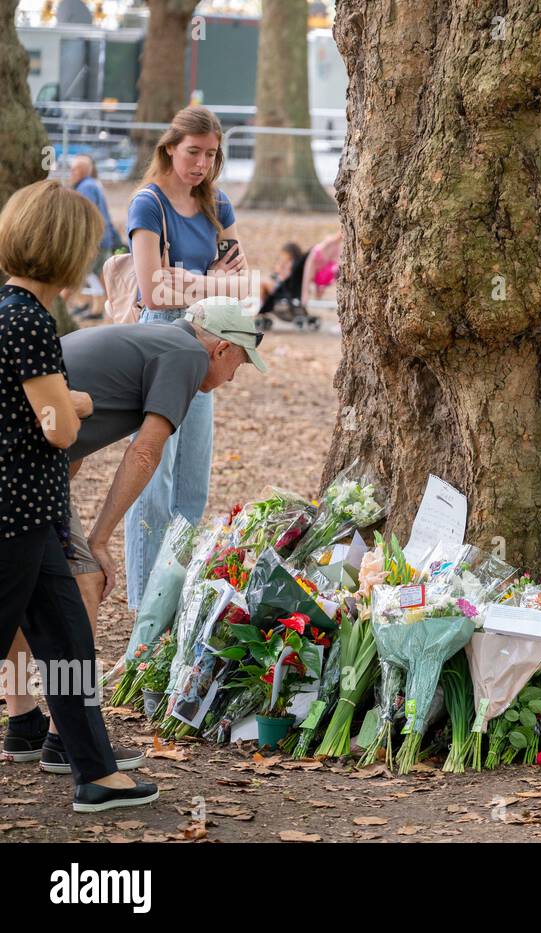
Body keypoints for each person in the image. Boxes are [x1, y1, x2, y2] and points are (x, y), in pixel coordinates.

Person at [2, 296, 266, 769]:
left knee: (27, 588)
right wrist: (99, 541)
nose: (232, 379)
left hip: (19, 469)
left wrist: (57, 507)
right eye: (239, 364)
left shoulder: (152, 341)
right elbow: (145, 453)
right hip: (17, 473)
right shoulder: (186, 357)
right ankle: (67, 741)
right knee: (82, 584)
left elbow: (76, 435)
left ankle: (24, 724)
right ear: (221, 349)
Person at [0, 180, 157, 812]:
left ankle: (94, 769)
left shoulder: (10, 313)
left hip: (33, 516)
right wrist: (82, 402)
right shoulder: (31, 322)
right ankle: (91, 766)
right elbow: (59, 427)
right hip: (17, 515)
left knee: (67, 641)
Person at [123, 106, 250, 613]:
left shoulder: (218, 204)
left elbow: (242, 285)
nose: (201, 163)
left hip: (206, 343)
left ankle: (170, 599)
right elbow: (152, 291)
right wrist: (211, 280)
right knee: (155, 478)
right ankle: (141, 607)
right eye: (193, 152)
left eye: (211, 154)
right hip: (160, 342)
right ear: (170, 148)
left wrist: (193, 281)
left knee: (192, 485)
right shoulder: (148, 204)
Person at [65, 154, 117, 319]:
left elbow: (83, 215)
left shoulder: (85, 187)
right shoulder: (92, 184)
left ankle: (57, 309)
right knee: (99, 276)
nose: (70, 173)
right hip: (104, 238)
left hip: (94, 240)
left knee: (75, 273)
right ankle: (97, 308)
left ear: (81, 171)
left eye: (73, 169)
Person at [300, 229, 341, 307]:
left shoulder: (337, 246)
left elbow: (335, 261)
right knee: (307, 278)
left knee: (309, 279)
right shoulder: (331, 241)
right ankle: (304, 296)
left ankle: (305, 296)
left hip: (320, 263)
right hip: (317, 258)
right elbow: (322, 251)